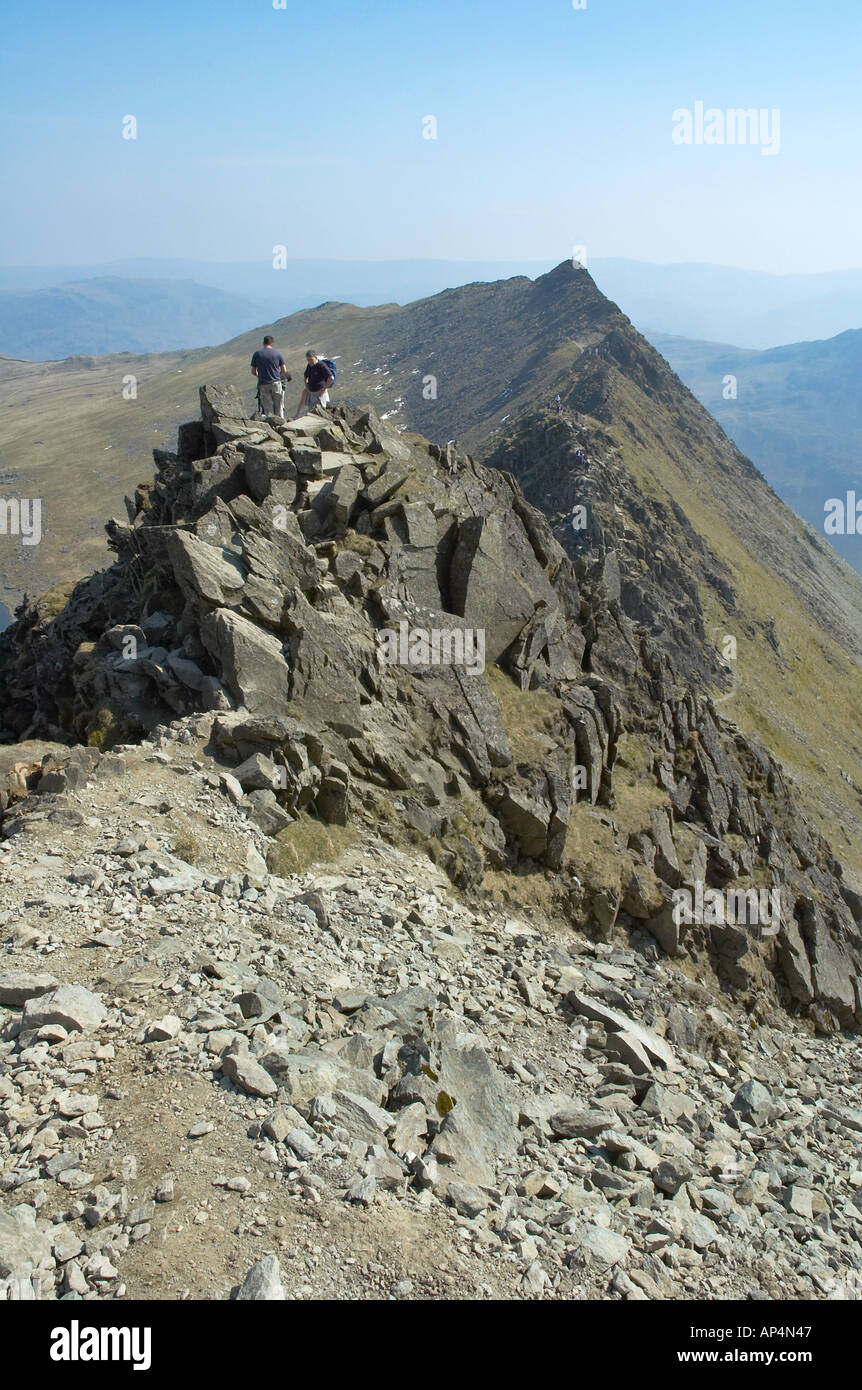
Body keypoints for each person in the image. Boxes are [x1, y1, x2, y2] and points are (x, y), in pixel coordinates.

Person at [251, 335, 291, 418]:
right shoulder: (277, 354)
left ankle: (271, 426)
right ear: (272, 343)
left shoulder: (257, 354)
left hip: (263, 383)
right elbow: (284, 370)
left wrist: (259, 376)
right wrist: (278, 376)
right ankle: (281, 426)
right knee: (279, 406)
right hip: (276, 382)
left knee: (267, 408)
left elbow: (253, 371)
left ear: (263, 343)